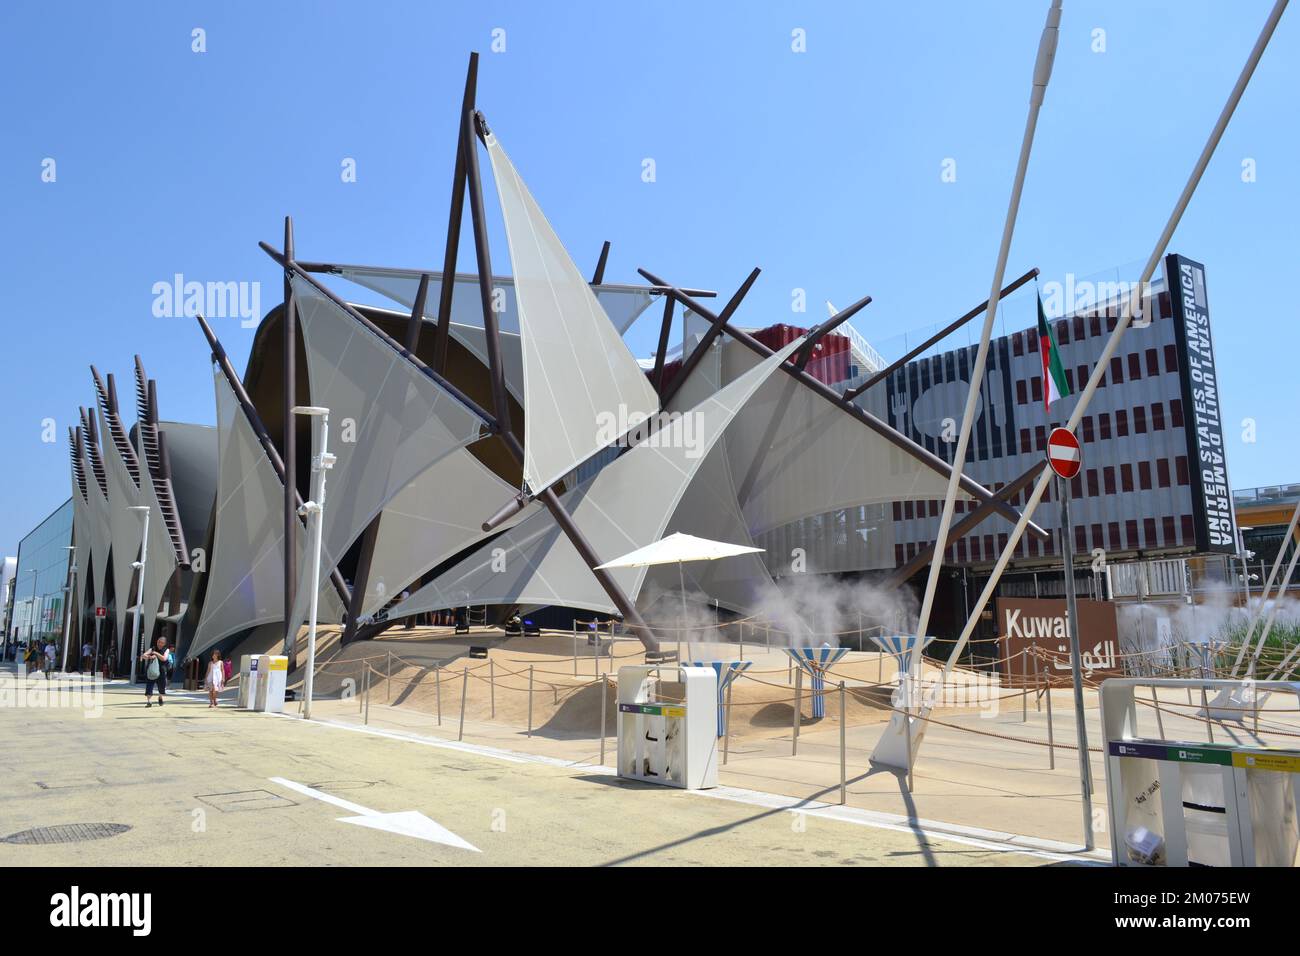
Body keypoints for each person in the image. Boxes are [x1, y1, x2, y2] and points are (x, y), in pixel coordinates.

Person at [141, 636, 173, 707]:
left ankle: (160, 697)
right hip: (152, 670)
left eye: (162, 643)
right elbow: (143, 655)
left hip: (162, 670)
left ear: (164, 643)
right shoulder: (153, 648)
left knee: (162, 686)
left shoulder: (166, 650)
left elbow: (164, 658)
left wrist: (155, 653)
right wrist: (149, 656)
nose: (159, 644)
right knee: (149, 685)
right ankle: (149, 702)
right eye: (158, 642)